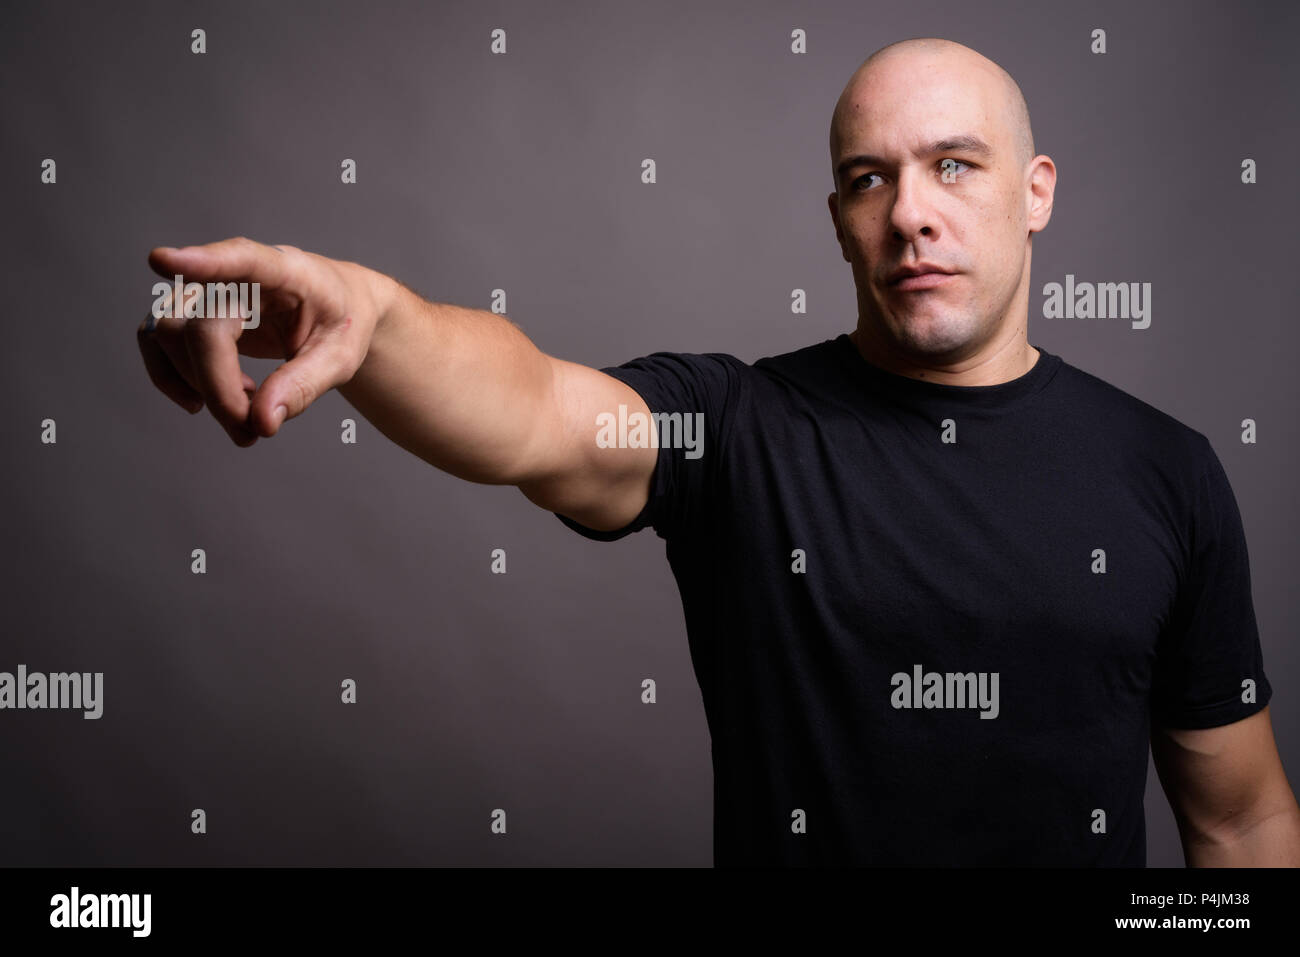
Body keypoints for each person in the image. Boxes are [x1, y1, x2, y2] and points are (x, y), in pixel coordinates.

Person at [136, 37, 1300, 867]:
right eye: (868, 179)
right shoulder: (738, 428)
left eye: (954, 164)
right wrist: (373, 314)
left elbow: (1240, 824)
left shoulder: (1167, 470)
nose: (910, 212)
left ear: (1034, 193)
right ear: (837, 219)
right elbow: (534, 406)